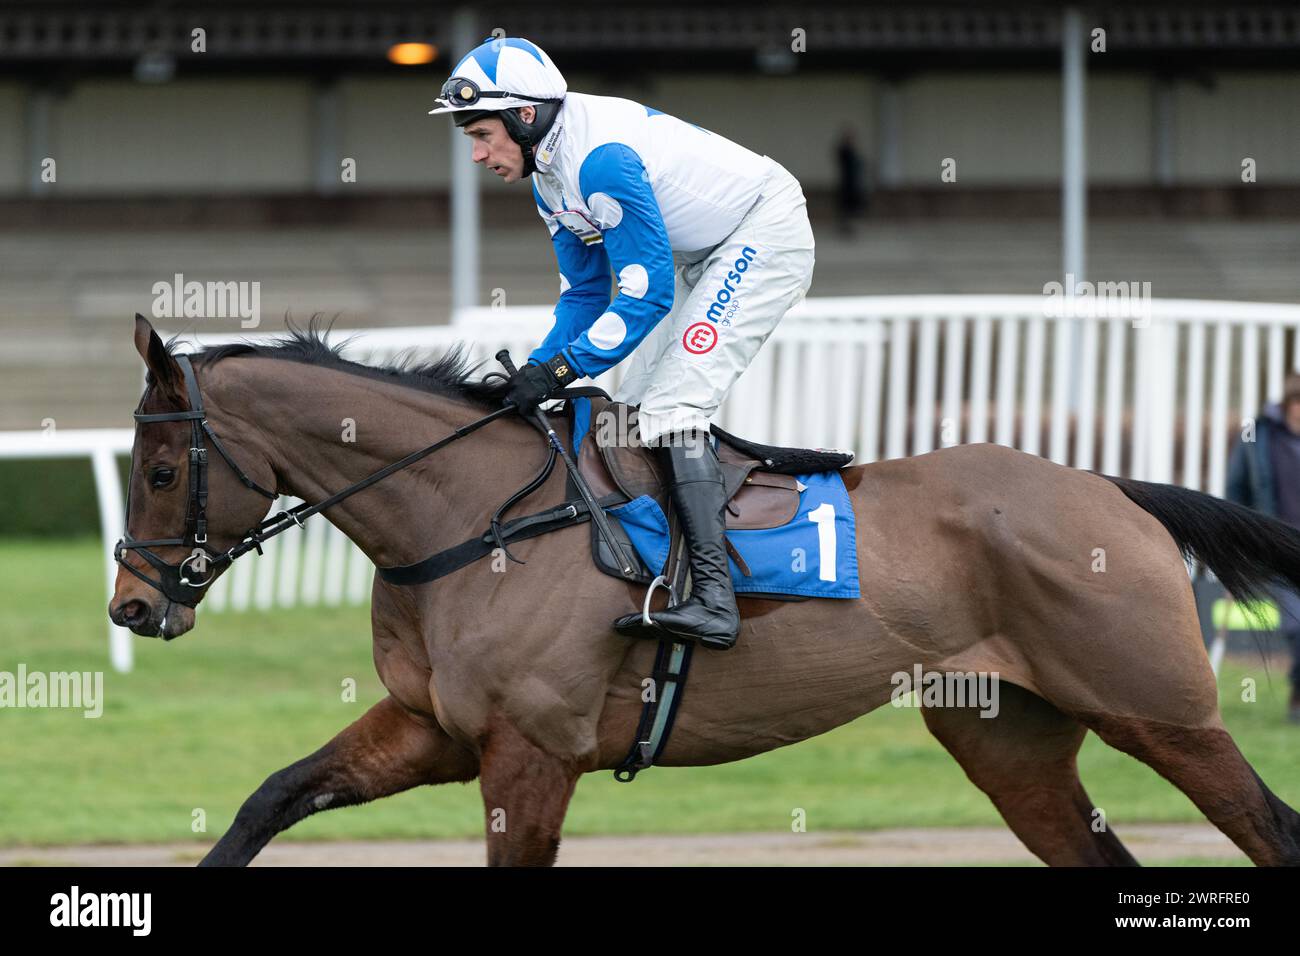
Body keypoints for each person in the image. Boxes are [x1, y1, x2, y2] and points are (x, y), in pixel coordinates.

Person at [430, 37, 815, 651]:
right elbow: (584, 294)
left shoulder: (599, 162)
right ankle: (662, 573)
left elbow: (644, 295)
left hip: (760, 232)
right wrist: (535, 370)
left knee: (672, 407)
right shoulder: (548, 178)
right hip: (697, 254)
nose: (477, 154)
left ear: (524, 117)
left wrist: (561, 370)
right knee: (631, 418)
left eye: (482, 135)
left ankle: (716, 600)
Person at [1225, 371, 1300, 723]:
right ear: (1288, 405)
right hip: (1278, 549)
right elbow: (1236, 489)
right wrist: (1236, 543)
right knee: (1297, 625)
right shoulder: (1257, 437)